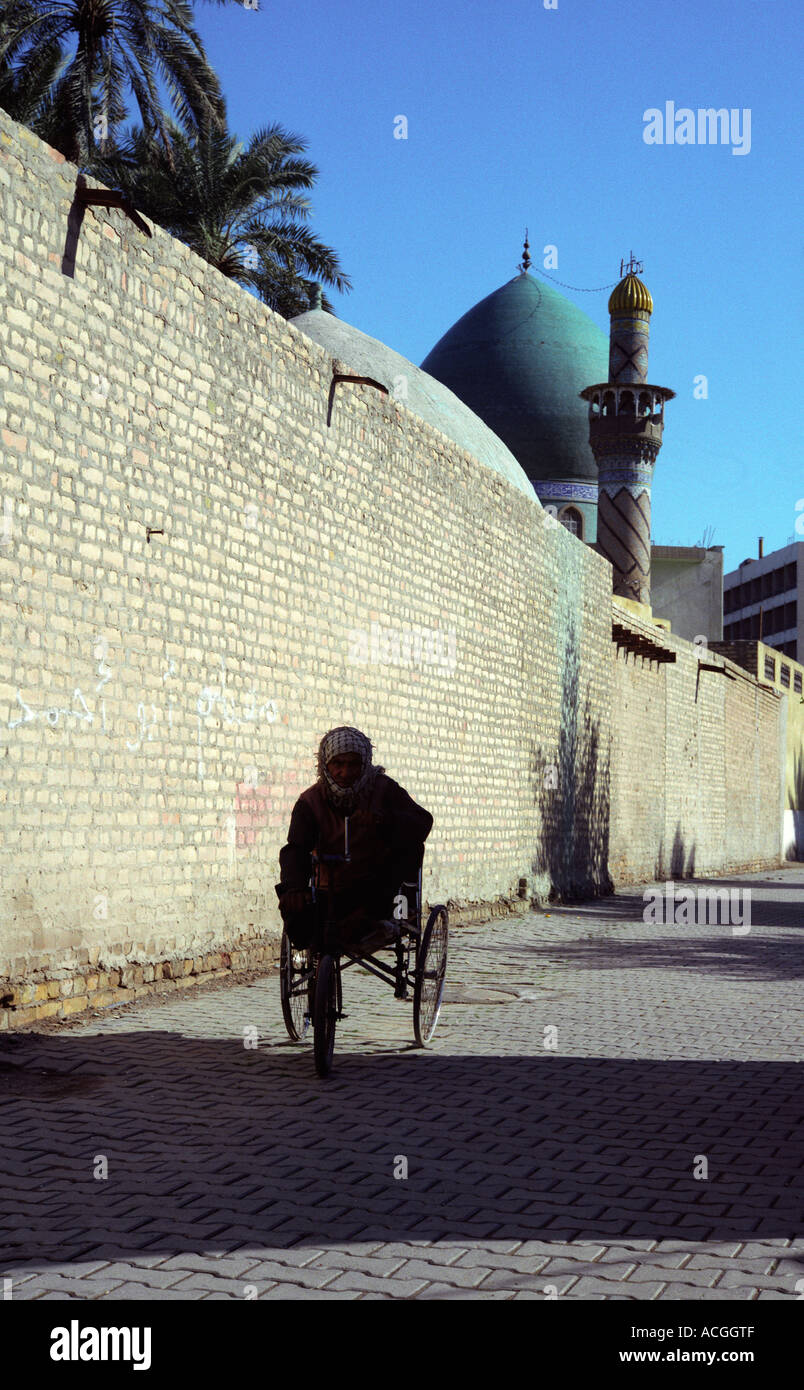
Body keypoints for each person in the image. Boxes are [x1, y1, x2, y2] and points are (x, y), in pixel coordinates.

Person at [276, 726, 433, 953]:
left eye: (353, 764)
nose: (345, 772)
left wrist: (383, 821)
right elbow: (296, 849)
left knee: (410, 843)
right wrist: (295, 889)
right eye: (338, 764)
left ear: (365, 764)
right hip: (329, 892)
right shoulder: (310, 802)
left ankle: (374, 925)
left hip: (376, 890)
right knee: (296, 912)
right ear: (325, 764)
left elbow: (422, 822)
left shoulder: (383, 789)